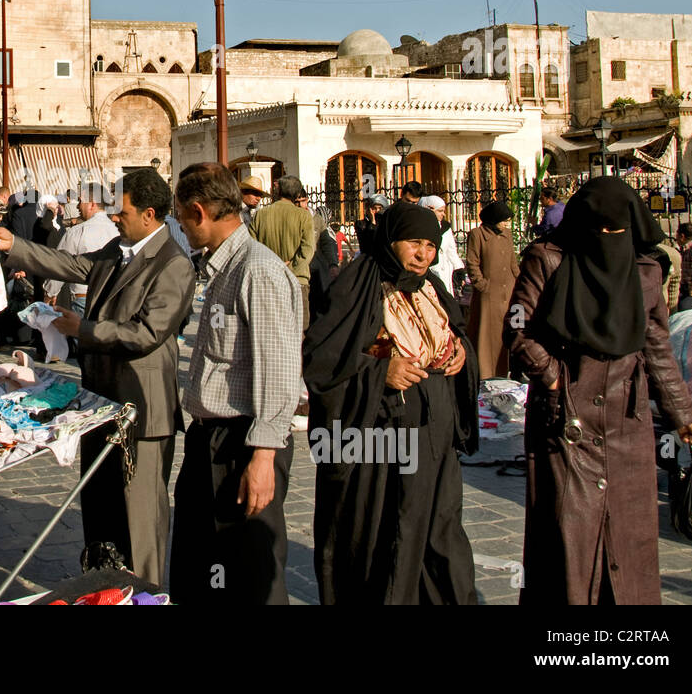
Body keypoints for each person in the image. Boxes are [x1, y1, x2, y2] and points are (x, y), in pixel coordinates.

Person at [0, 168, 196, 587]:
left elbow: (147, 333)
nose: (114, 218)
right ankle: (103, 587)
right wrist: (15, 246)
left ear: (150, 214)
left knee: (140, 517)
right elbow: (72, 264)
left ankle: (146, 594)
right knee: (100, 509)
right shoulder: (119, 248)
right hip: (100, 402)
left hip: (143, 409)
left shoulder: (173, 264)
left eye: (123, 211)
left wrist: (81, 329)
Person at [505, 176, 692, 604]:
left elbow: (656, 345)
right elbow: (517, 327)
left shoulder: (646, 270)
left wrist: (683, 413)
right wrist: (554, 376)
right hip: (566, 418)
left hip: (626, 420)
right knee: (569, 540)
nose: (609, 240)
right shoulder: (548, 259)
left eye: (618, 231)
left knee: (629, 542)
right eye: (601, 230)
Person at [302, 200, 479, 604]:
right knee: (387, 536)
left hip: (435, 439)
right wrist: (381, 372)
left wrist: (463, 353)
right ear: (391, 240)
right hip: (381, 443)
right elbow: (322, 360)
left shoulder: (431, 286)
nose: (423, 254)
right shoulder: (356, 284)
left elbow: (457, 333)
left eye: (431, 246)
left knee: (439, 532)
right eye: (414, 243)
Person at [169, 162, 302, 605]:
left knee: (248, 574)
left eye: (183, 219)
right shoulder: (220, 268)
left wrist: (263, 458)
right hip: (210, 441)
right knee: (203, 568)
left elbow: (280, 371)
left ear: (199, 212)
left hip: (243, 445)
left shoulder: (256, 270)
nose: (182, 229)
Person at [464, 200, 520, 379]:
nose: (506, 224)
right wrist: (482, 285)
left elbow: (512, 261)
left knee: (509, 330)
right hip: (488, 293)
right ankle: (486, 374)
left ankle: (507, 371)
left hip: (508, 290)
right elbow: (472, 263)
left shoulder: (507, 234)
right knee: (487, 334)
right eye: (504, 220)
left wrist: (519, 281)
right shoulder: (477, 234)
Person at [44, 184, 119, 316]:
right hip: (111, 301)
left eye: (80, 201)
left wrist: (50, 293)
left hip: (83, 298)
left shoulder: (77, 232)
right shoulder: (117, 231)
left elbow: (60, 265)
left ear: (92, 204)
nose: (78, 206)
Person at [249, 175, 315, 311]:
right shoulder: (304, 216)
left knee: (269, 327)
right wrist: (288, 268)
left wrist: (274, 268)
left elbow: (251, 248)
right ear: (297, 194)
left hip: (268, 280)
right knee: (298, 328)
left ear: (278, 192)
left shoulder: (260, 215)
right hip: (297, 280)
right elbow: (307, 250)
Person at [420, 195, 464, 296]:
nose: (443, 214)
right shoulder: (420, 227)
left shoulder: (445, 228)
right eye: (440, 211)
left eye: (443, 211)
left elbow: (451, 251)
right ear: (429, 209)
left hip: (443, 273)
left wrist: (458, 269)